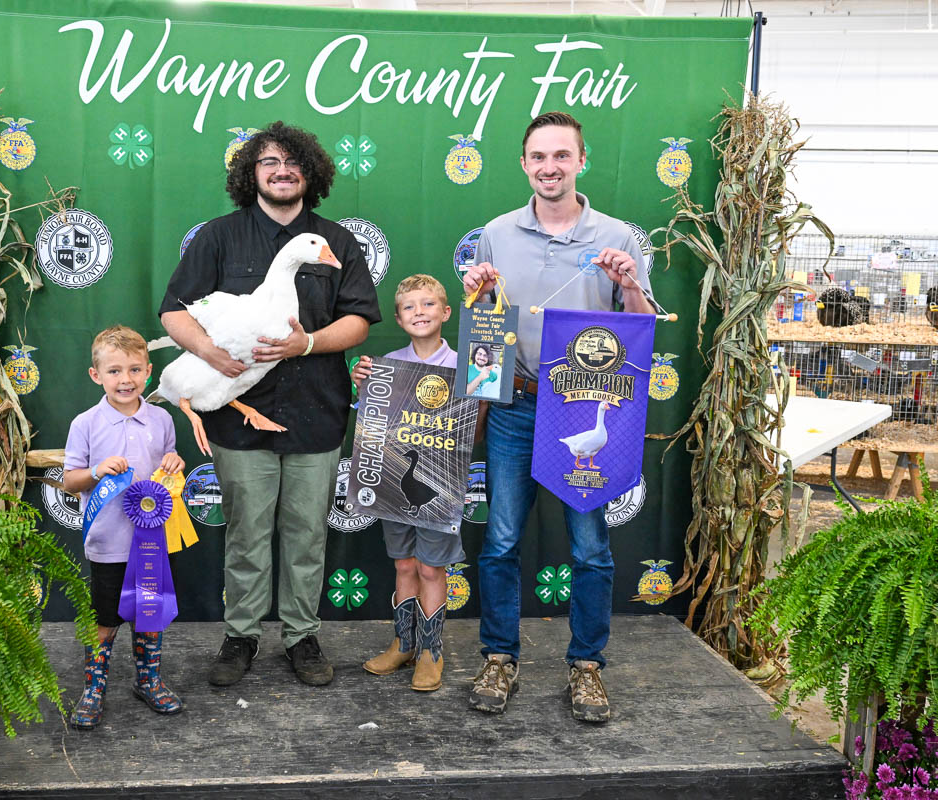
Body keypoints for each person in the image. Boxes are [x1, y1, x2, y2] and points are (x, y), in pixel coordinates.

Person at [159, 121, 380, 687]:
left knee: (308, 532)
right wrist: (211, 352)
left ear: (311, 171)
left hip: (318, 410)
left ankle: (303, 636)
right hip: (238, 416)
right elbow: (174, 312)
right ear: (250, 173)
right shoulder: (218, 237)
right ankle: (241, 636)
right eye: (269, 162)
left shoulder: (338, 242)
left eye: (292, 162)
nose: (282, 171)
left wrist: (307, 342)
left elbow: (357, 319)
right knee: (247, 531)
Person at [462, 111, 655, 722]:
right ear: (524, 164)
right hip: (517, 403)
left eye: (561, 156)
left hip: (581, 405)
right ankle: (499, 656)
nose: (550, 167)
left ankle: (587, 667)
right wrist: (478, 292)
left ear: (581, 161)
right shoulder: (496, 232)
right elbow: (486, 324)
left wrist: (626, 283)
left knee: (591, 547)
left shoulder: (618, 236)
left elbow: (640, 322)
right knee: (499, 541)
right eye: (538, 157)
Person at [62, 325, 186, 729]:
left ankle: (148, 680)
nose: (125, 379)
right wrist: (96, 471)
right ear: (96, 375)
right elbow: (69, 480)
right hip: (109, 542)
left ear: (149, 372)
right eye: (114, 371)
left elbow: (169, 466)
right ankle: (93, 688)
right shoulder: (85, 423)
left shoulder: (162, 419)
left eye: (134, 370)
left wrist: (175, 464)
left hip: (150, 543)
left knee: (149, 612)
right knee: (104, 616)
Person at [350, 274, 462, 692]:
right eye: (410, 307)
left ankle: (432, 652)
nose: (420, 312)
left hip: (443, 487)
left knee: (432, 567)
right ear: (398, 318)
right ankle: (404, 643)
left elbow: (476, 428)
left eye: (428, 304)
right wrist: (365, 386)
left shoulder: (464, 367)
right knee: (403, 564)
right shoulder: (386, 366)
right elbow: (373, 425)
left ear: (445, 312)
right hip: (393, 485)